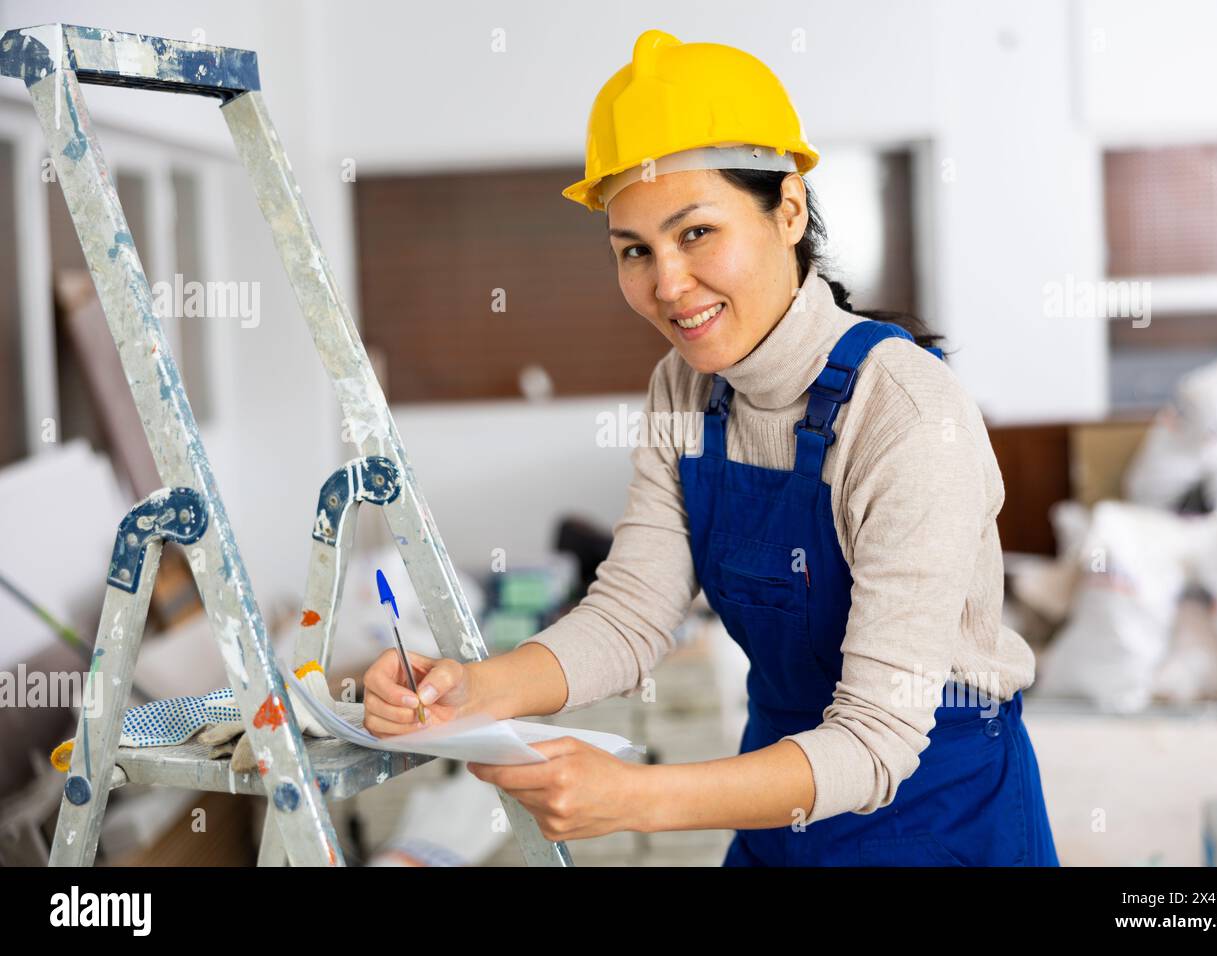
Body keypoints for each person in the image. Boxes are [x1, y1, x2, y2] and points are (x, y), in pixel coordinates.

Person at [363, 28, 1059, 866]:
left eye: (695, 233)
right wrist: (474, 687)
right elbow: (631, 615)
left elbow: (877, 740)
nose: (666, 284)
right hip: (778, 794)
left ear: (789, 209)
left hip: (934, 810)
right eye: (635, 250)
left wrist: (635, 799)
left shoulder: (908, 414)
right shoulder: (687, 388)